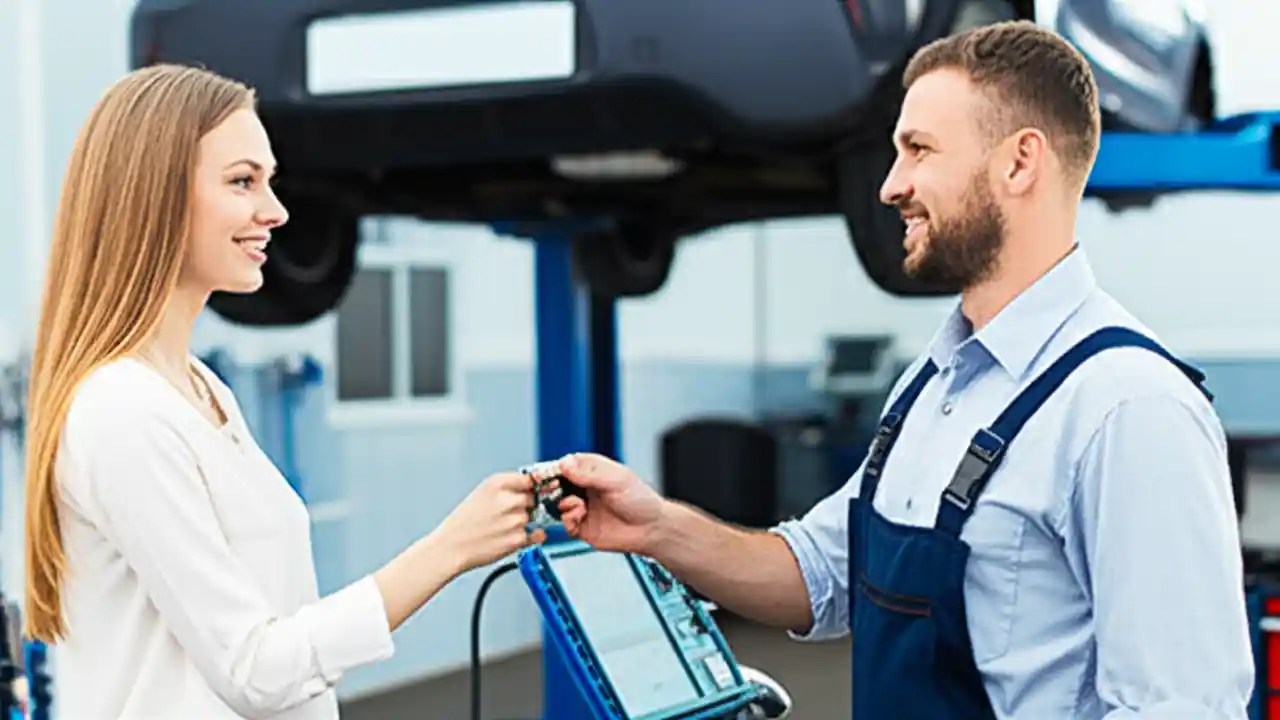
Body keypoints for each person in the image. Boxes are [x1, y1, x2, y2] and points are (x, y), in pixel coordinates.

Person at [554, 20, 1255, 719]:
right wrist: (655, 527)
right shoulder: (931, 383)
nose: (891, 186)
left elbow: (1180, 708)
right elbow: (822, 574)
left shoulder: (1128, 410)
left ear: (1019, 163)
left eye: (919, 150)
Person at [22, 64, 547, 719]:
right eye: (243, 181)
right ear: (155, 195)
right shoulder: (123, 413)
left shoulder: (200, 390)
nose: (276, 211)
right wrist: (451, 548)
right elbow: (254, 668)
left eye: (268, 181)